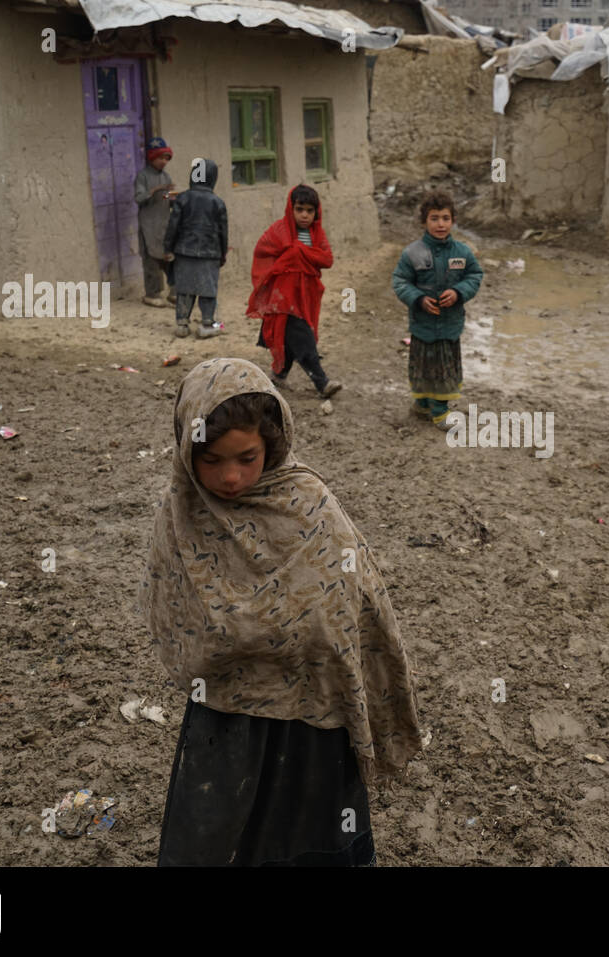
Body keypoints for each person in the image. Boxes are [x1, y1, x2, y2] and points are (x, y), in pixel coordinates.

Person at [140, 357, 423, 866]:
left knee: (309, 832)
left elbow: (356, 609)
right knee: (217, 832)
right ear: (186, 450)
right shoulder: (181, 513)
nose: (230, 477)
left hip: (314, 710)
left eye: (247, 457)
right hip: (225, 713)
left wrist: (290, 635)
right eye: (211, 461)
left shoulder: (307, 502)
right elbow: (174, 615)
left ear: (273, 441)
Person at [391, 190, 484, 429]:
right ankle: (421, 404)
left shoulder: (462, 253)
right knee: (421, 367)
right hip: (422, 325)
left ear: (452, 220)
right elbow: (400, 282)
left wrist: (459, 292)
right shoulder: (412, 253)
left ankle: (441, 412)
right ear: (424, 221)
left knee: (444, 368)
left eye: (445, 218)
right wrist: (419, 298)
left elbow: (475, 275)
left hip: (449, 326)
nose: (440, 224)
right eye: (434, 218)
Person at [246, 185, 342, 398]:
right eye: (300, 209)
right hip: (282, 297)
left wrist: (299, 251)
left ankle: (279, 376)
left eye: (310, 210)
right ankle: (322, 382)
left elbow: (327, 259)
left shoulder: (317, 234)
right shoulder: (278, 231)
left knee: (289, 336)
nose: (305, 215)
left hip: (305, 296)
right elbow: (262, 252)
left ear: (317, 212)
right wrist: (292, 257)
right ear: (291, 209)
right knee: (302, 336)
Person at [163, 158, 227, 339]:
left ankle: (182, 324)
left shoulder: (182, 198)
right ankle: (207, 321)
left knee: (184, 288)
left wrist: (168, 247)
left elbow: (172, 226)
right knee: (208, 289)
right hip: (210, 253)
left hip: (184, 252)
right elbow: (223, 231)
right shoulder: (218, 202)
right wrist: (222, 253)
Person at [134, 137, 178, 308]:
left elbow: (167, 199)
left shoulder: (166, 176)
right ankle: (152, 294)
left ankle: (174, 292)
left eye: (166, 159)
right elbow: (139, 198)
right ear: (152, 157)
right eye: (161, 158)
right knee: (151, 260)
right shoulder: (142, 177)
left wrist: (175, 198)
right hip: (149, 226)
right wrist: (155, 190)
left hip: (164, 224)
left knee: (170, 258)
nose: (163, 162)